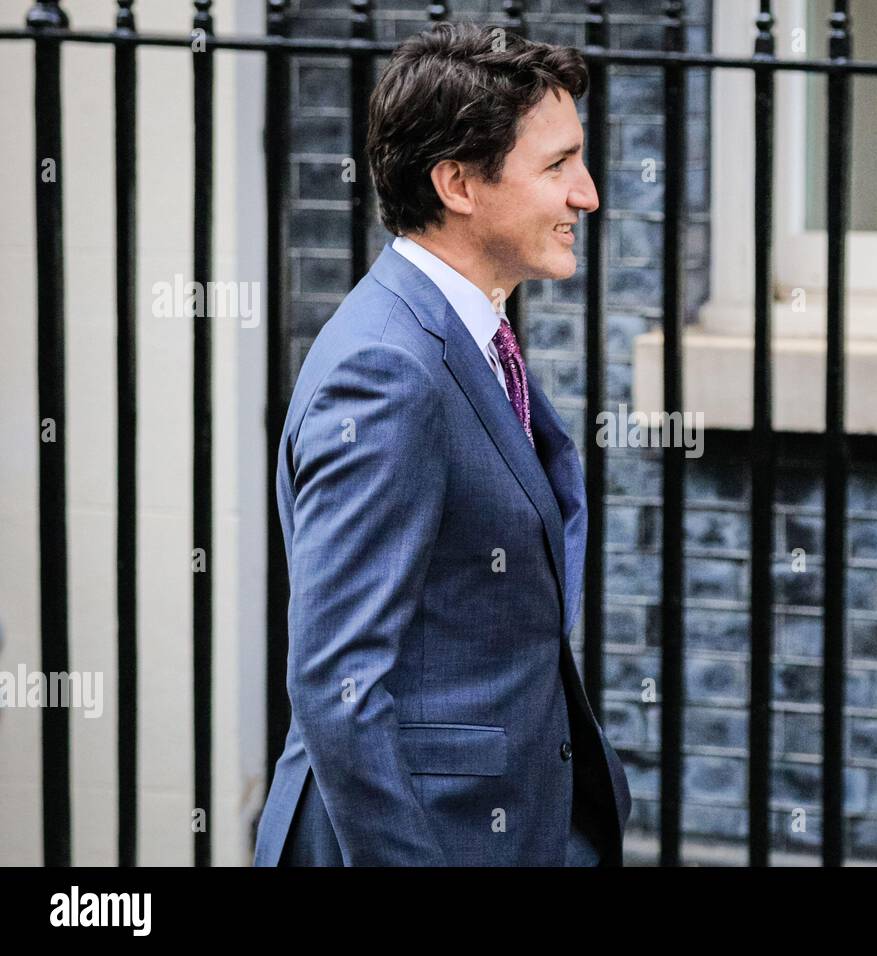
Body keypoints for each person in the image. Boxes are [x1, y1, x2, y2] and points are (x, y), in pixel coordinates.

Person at [253, 22, 630, 867]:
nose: (589, 194)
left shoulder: (463, 332)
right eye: (558, 164)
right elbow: (337, 684)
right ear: (458, 183)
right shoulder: (389, 371)